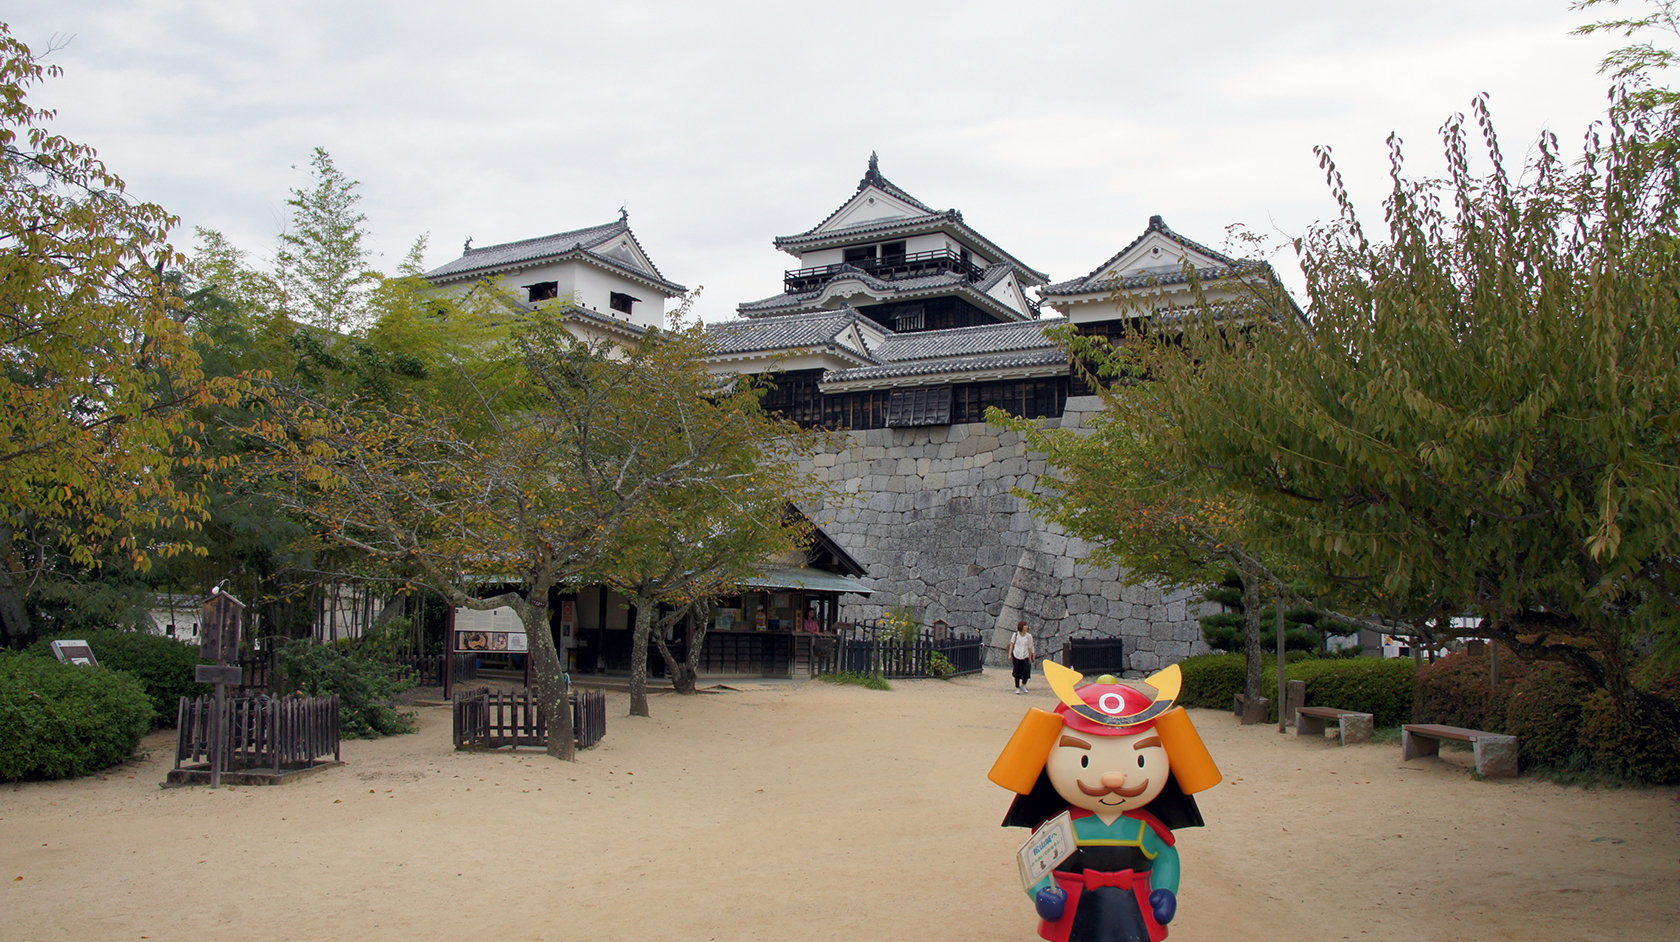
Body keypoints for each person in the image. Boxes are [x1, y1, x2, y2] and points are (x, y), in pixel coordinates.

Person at [988, 663, 1222, 942]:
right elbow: (1034, 864)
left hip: (1134, 906)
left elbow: (1166, 858)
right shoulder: (1062, 826)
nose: (1113, 779)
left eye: (1140, 760)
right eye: (1084, 760)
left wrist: (1165, 891)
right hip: (1073, 907)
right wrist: (1042, 894)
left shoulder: (1146, 827)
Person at [1010, 621, 1036, 694]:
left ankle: (1024, 685)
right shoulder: (1015, 635)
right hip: (1017, 654)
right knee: (1017, 671)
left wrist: (1031, 656)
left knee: (1026, 670)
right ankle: (1017, 687)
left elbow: (1030, 647)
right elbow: (1012, 644)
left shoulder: (1029, 636)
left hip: (1025, 655)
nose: (1027, 627)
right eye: (1025, 625)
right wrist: (1010, 654)